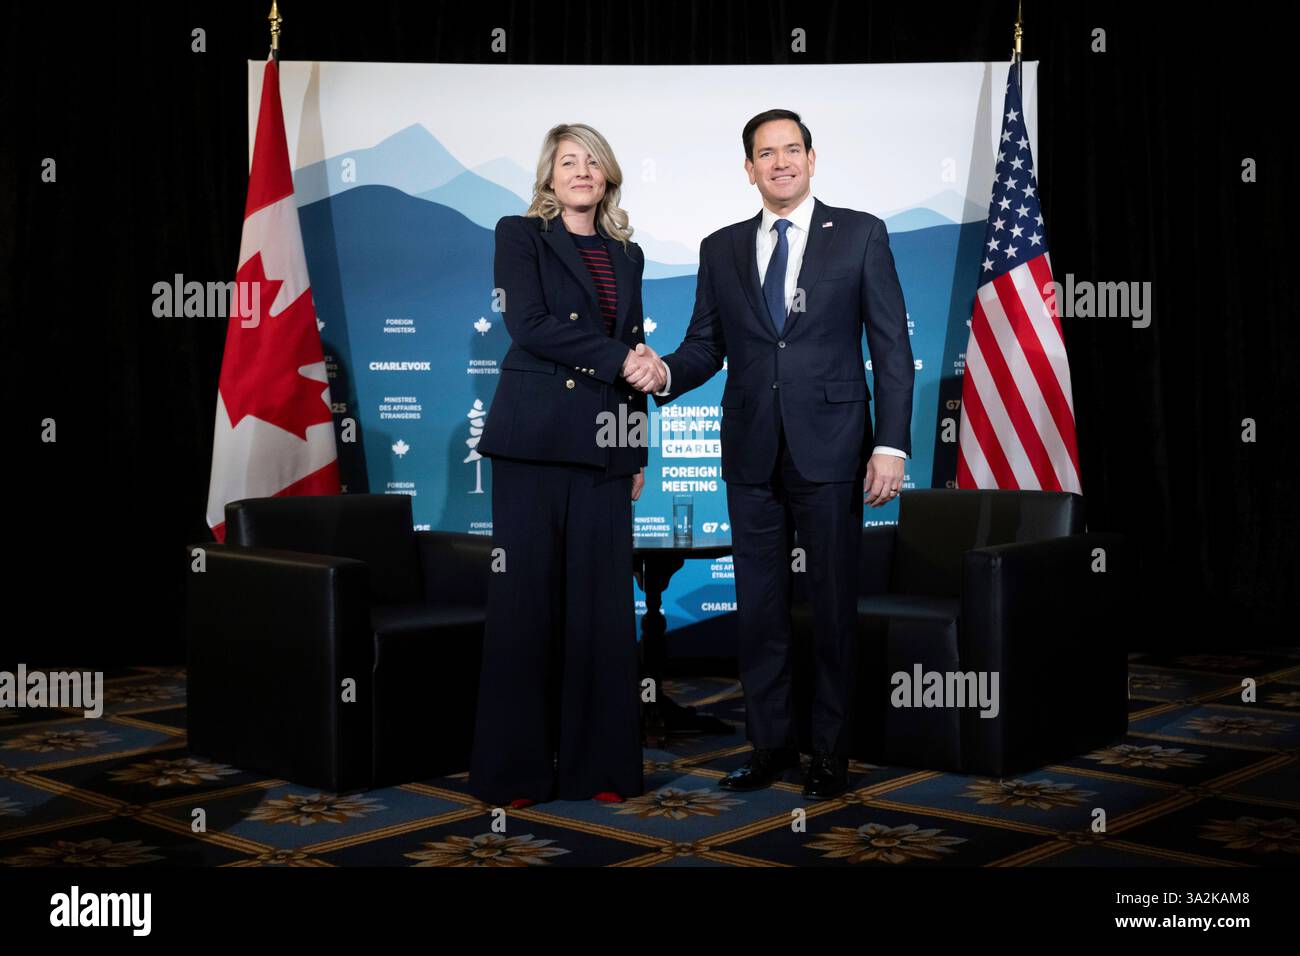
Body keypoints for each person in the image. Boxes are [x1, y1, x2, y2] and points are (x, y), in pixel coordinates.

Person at [634, 109, 915, 799]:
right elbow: (707, 345)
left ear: (812, 160)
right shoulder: (720, 247)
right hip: (753, 454)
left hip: (835, 450)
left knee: (830, 605)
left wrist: (891, 443)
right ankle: (770, 746)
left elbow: (892, 349)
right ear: (749, 167)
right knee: (760, 610)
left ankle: (829, 753)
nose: (781, 162)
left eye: (793, 150)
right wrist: (665, 372)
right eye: (766, 153)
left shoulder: (860, 234)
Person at [469, 123, 665, 807]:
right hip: (533, 443)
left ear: (608, 176)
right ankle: (515, 774)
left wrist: (636, 446)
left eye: (592, 162)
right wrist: (621, 361)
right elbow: (530, 325)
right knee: (524, 607)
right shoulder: (519, 235)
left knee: (602, 613)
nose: (581, 171)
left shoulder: (628, 253)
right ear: (549, 177)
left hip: (606, 448)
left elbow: (636, 344)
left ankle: (601, 770)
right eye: (567, 161)